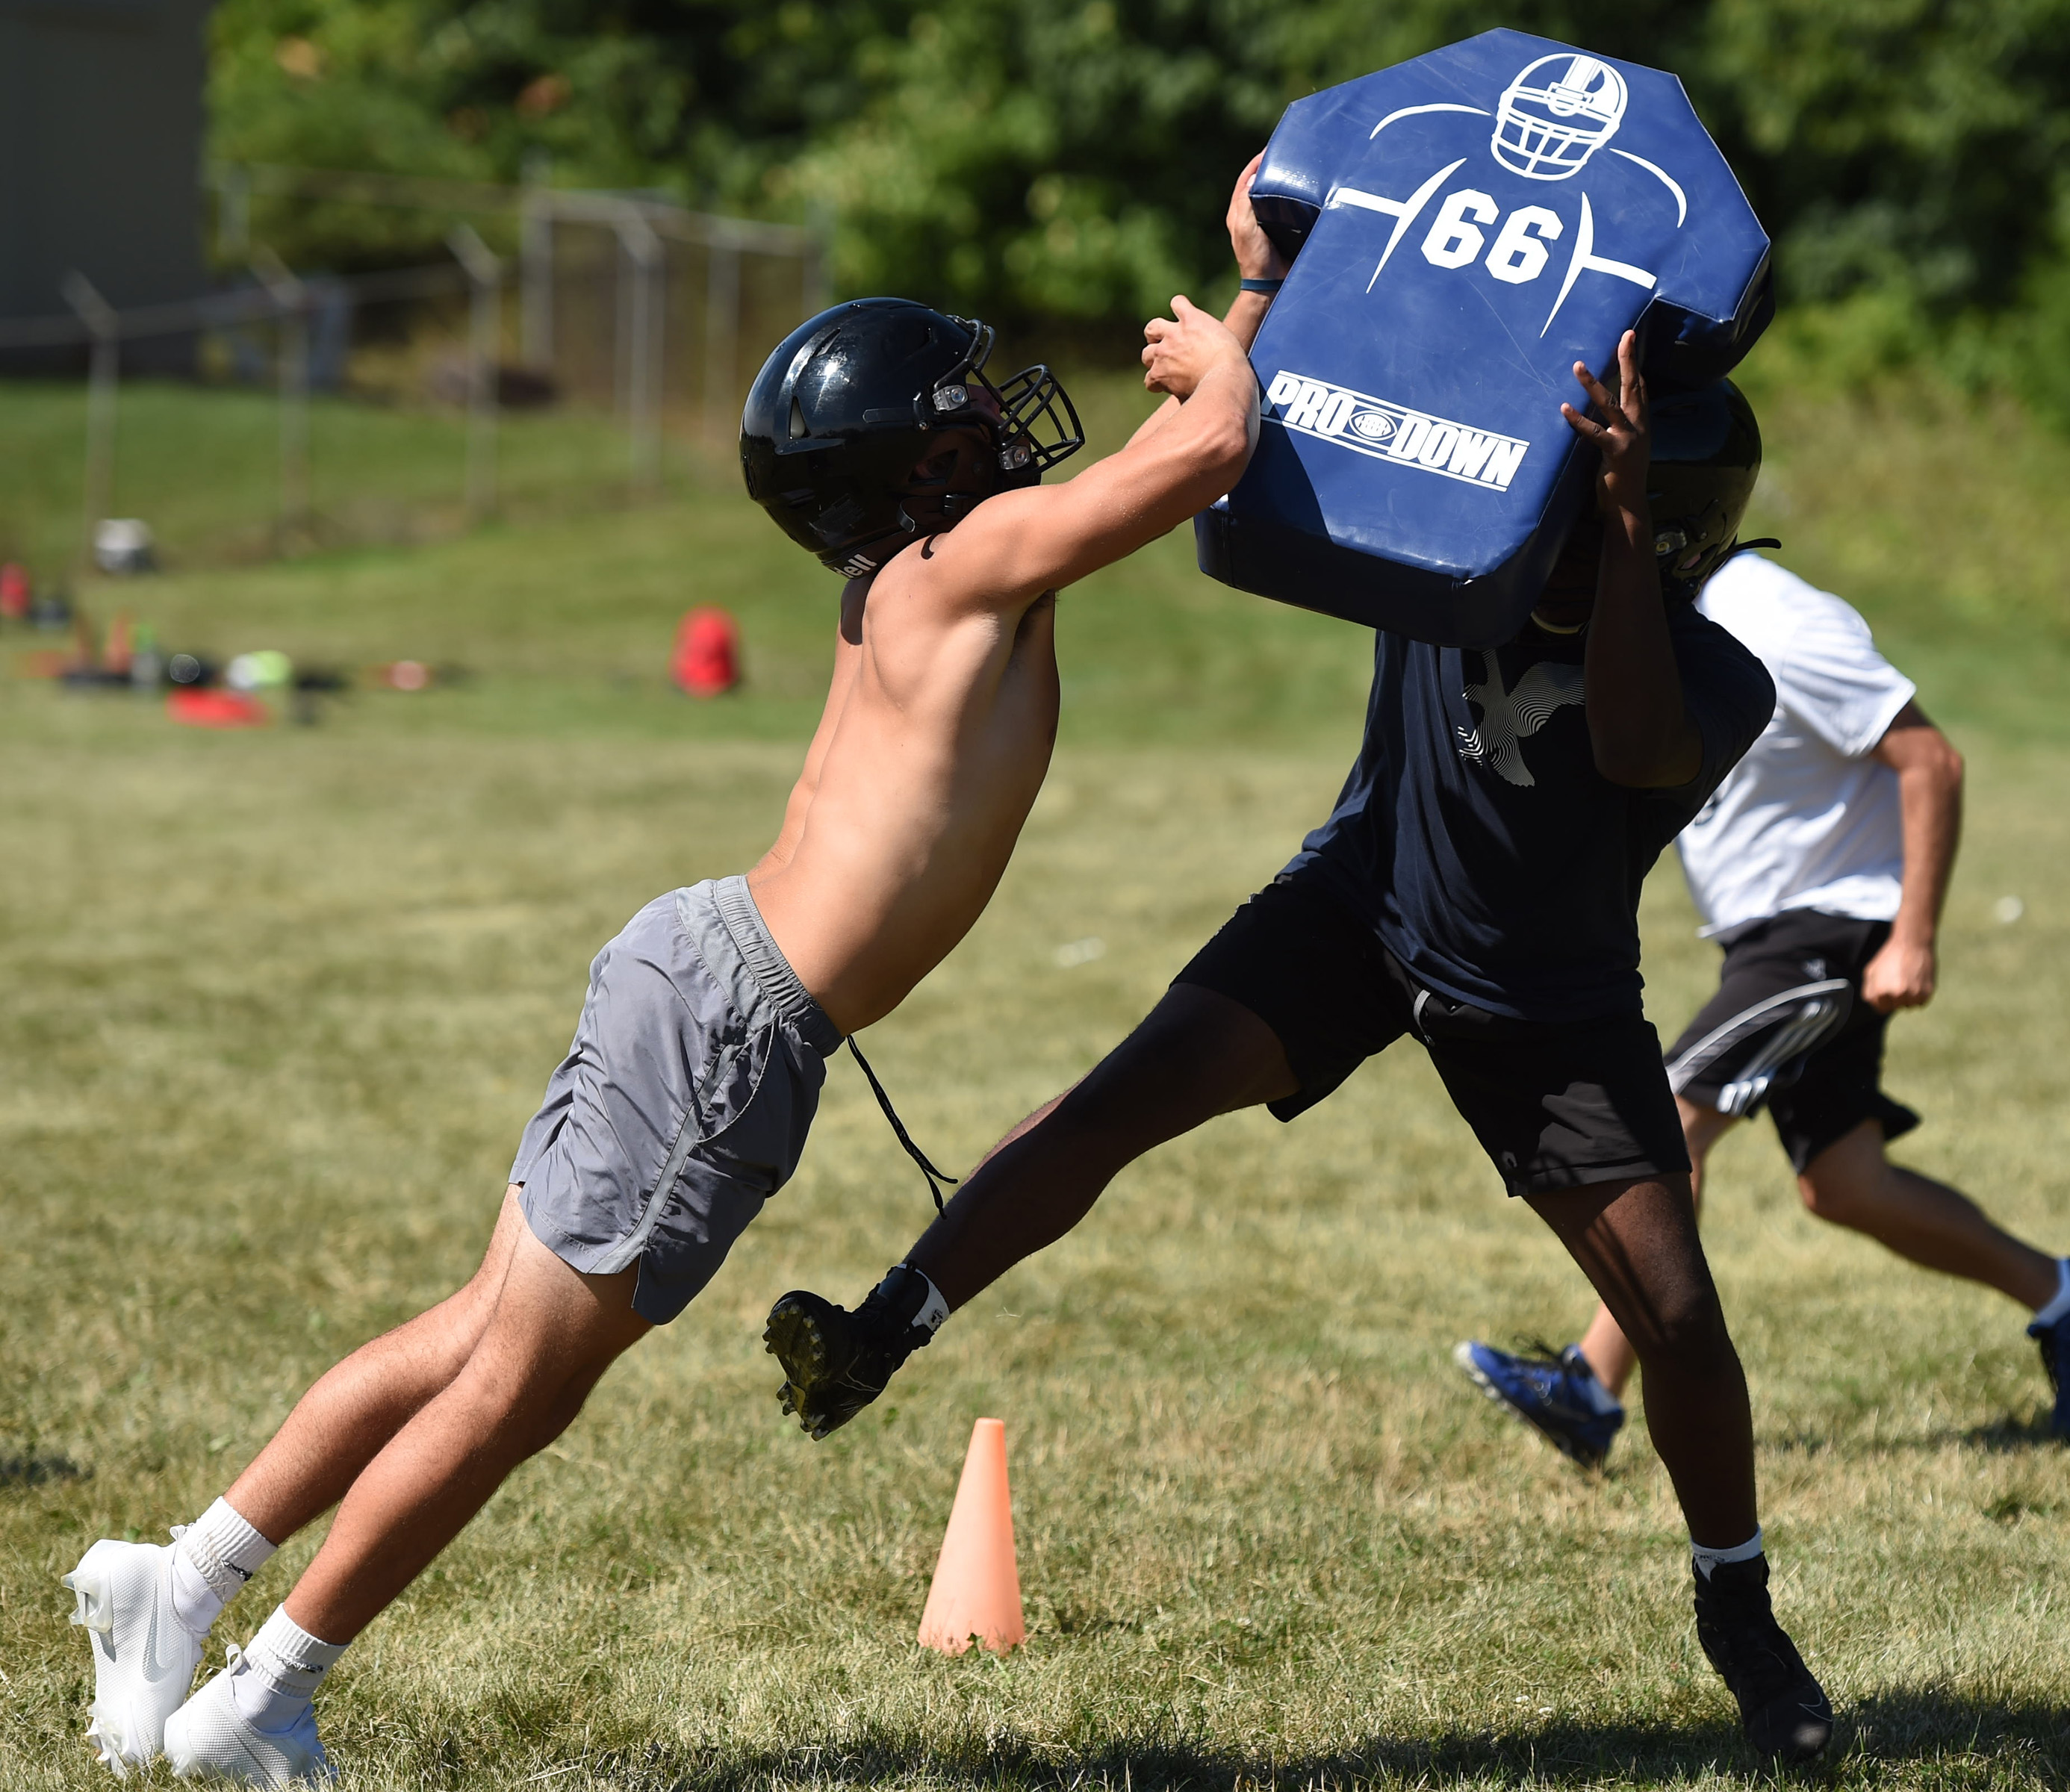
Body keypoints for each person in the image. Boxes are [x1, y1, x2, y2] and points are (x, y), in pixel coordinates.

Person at [60, 285, 1260, 1786]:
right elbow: (1210, 444)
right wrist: (1226, 357)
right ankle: (262, 1694)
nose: (997, 418)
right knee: (518, 1387)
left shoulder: (945, 567)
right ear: (917, 465)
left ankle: (175, 1583)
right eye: (964, 407)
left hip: (692, 971)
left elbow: (1163, 458)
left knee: (476, 1334)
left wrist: (1257, 281)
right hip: (724, 1029)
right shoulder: (971, 566)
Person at [765, 172, 1837, 1764]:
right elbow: (1306, 430)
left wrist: (1611, 538)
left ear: (1658, 532)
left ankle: (1735, 1603)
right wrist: (1271, 274)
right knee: (1108, 1108)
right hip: (1357, 907)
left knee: (1673, 1314)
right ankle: (883, 1325)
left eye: (1587, 497)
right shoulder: (1451, 544)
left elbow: (1628, 737)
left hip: (1538, 995)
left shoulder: (1707, 663)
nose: (1530, 504)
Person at [1455, 553, 2070, 1468]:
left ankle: (1588, 1386)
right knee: (1844, 1184)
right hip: (1768, 936)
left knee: (1661, 1125)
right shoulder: (1669, 622)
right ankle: (2066, 1295)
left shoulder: (1773, 616)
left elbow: (1929, 759)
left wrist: (1913, 934)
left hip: (1832, 929)